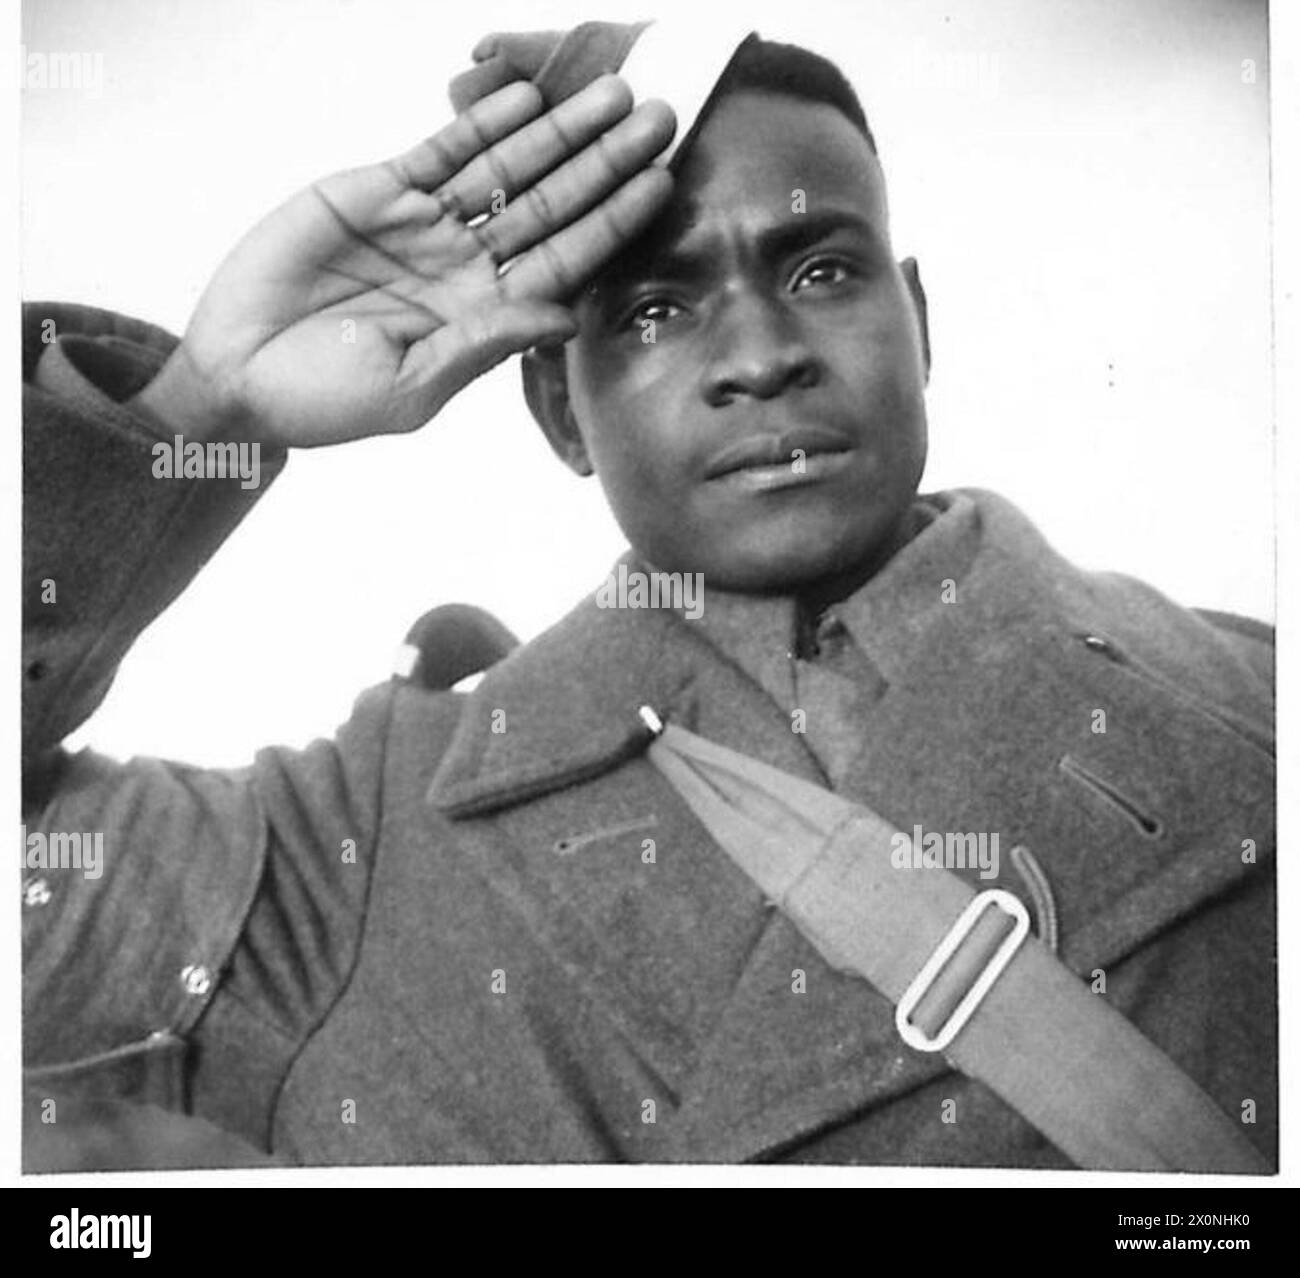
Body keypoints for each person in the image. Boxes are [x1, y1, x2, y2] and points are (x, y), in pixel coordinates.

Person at [22, 21, 1275, 1171]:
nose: (760, 355)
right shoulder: (353, 844)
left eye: (823, 272)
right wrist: (201, 406)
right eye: (658, 308)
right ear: (562, 411)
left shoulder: (1256, 709)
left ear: (922, 325)